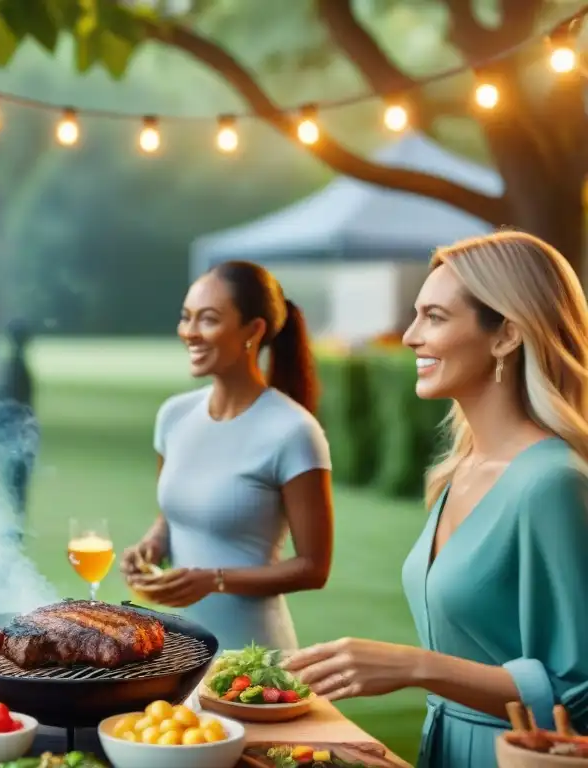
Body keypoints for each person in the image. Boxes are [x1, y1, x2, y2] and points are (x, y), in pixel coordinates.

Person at [283, 231, 588, 767]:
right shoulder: (459, 472)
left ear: (506, 335)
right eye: (415, 314)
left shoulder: (552, 484)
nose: (408, 336)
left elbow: (578, 691)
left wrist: (415, 667)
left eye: (435, 317)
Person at [122, 260, 333, 652]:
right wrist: (150, 547)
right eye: (186, 318)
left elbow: (314, 568)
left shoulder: (294, 431)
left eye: (209, 320)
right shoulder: (174, 416)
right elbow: (172, 515)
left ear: (253, 331)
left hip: (252, 656)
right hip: (177, 650)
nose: (190, 333)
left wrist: (214, 579)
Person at [0, 319, 39, 541]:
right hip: (16, 438)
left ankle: (10, 527)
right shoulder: (18, 368)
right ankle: (11, 527)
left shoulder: (12, 368)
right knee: (14, 487)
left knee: (12, 485)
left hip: (15, 438)